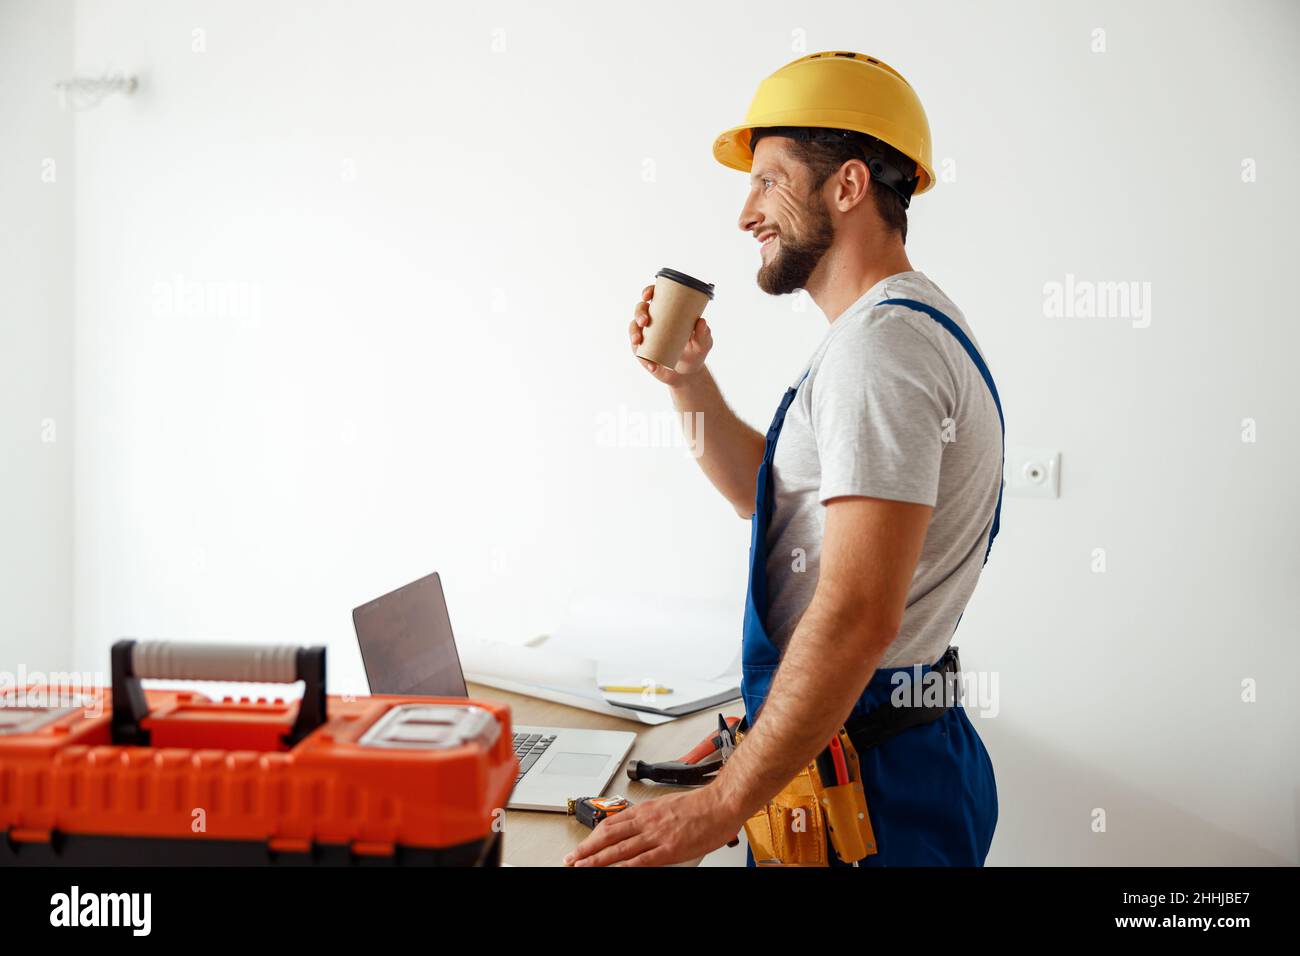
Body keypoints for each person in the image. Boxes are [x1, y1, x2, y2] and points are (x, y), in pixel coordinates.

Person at [566, 51, 1003, 867]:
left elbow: (857, 613)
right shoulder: (891, 332)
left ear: (846, 186)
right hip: (863, 759)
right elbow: (766, 496)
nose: (745, 213)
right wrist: (686, 381)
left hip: (875, 788)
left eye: (768, 179)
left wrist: (714, 809)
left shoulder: (883, 349)